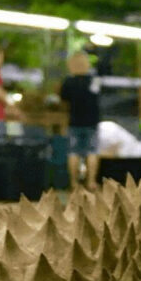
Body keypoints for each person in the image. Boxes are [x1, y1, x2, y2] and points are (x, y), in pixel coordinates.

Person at [60, 52, 102, 189]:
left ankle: (74, 183)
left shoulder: (68, 81)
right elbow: (98, 97)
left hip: (74, 122)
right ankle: (91, 181)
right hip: (92, 122)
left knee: (73, 152)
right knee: (92, 152)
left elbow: (63, 100)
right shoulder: (94, 80)